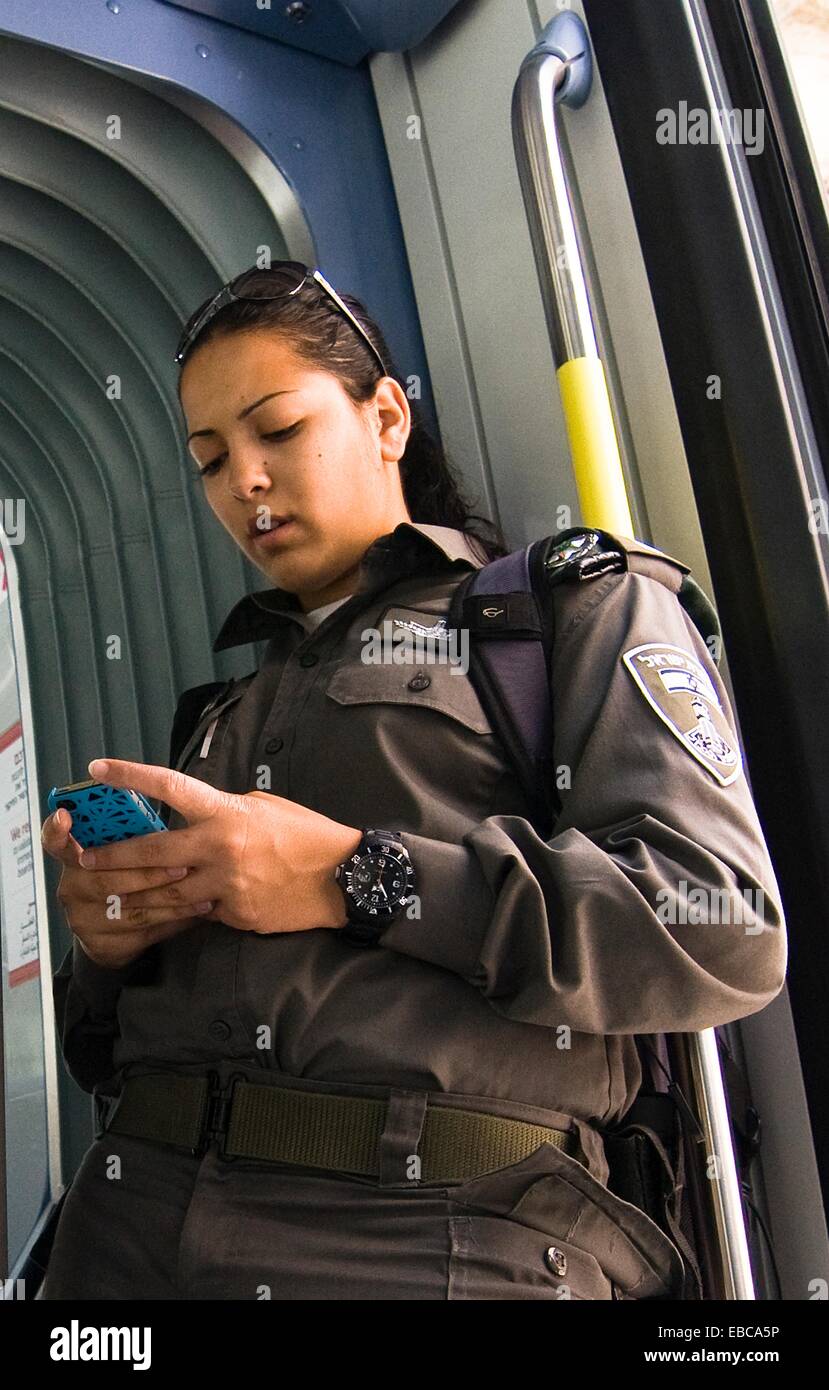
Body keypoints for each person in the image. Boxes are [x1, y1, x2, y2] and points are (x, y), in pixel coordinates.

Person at [39, 262, 787, 1301]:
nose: (242, 481)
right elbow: (103, 1049)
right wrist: (110, 947)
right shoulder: (219, 717)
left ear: (385, 417)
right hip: (129, 1221)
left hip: (428, 1227)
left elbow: (722, 929)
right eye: (210, 459)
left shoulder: (556, 614)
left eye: (278, 430)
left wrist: (359, 876)